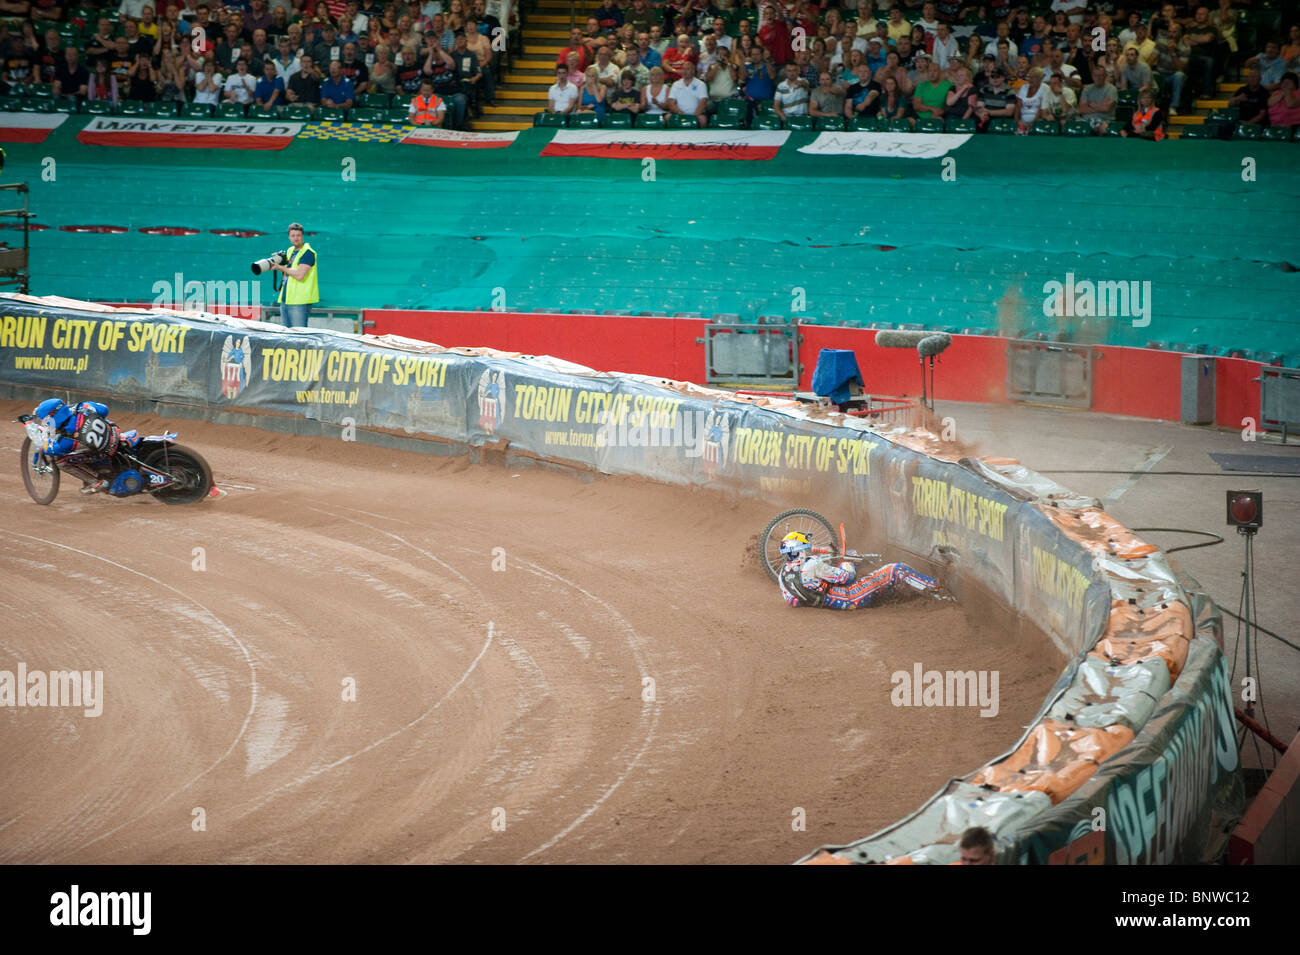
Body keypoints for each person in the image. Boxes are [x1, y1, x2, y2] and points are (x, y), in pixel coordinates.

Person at [777, 532, 948, 610]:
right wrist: (846, 561)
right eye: (804, 547)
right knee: (895, 569)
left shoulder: (783, 574)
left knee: (876, 581)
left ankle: (909, 593)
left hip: (831, 602)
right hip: (852, 596)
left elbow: (794, 602)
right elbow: (847, 577)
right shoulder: (812, 564)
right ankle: (937, 589)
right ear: (798, 550)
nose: (808, 550)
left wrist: (821, 588)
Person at [26, 398, 144, 495]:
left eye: (46, 420)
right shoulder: (84, 407)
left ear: (53, 417)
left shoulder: (68, 439)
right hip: (115, 434)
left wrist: (40, 437)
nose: (45, 423)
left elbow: (48, 449)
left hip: (104, 452)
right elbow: (104, 410)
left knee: (61, 461)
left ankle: (96, 481)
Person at [274, 222, 318, 328]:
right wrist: (279, 265)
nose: (296, 238)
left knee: (299, 336)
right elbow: (287, 272)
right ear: (289, 237)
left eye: (298, 235)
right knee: (287, 335)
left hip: (300, 301)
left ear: (302, 236)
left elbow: (299, 275)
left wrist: (280, 267)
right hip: (286, 298)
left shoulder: (308, 253)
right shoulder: (290, 250)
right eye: (293, 235)